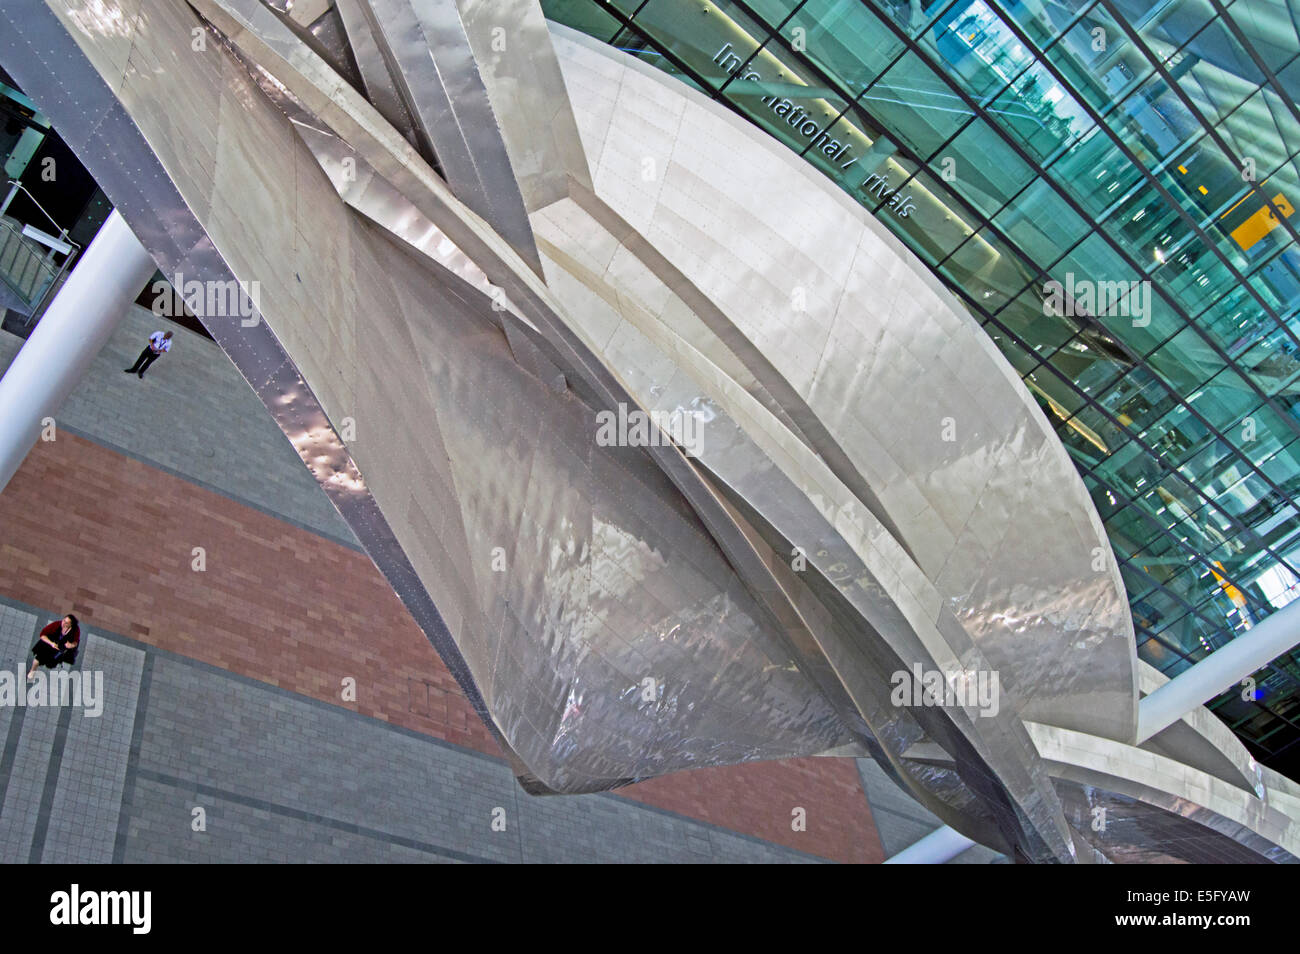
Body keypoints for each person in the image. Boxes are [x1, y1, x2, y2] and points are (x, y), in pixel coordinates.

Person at [27, 614, 80, 680]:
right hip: (48, 644)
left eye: (66, 623)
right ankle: (32, 671)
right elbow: (42, 635)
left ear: (71, 625)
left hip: (59, 648)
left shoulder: (76, 630)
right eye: (63, 620)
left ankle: (48, 662)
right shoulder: (56, 625)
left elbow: (76, 641)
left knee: (51, 663)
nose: (63, 623)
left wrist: (71, 645)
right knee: (38, 659)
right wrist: (51, 643)